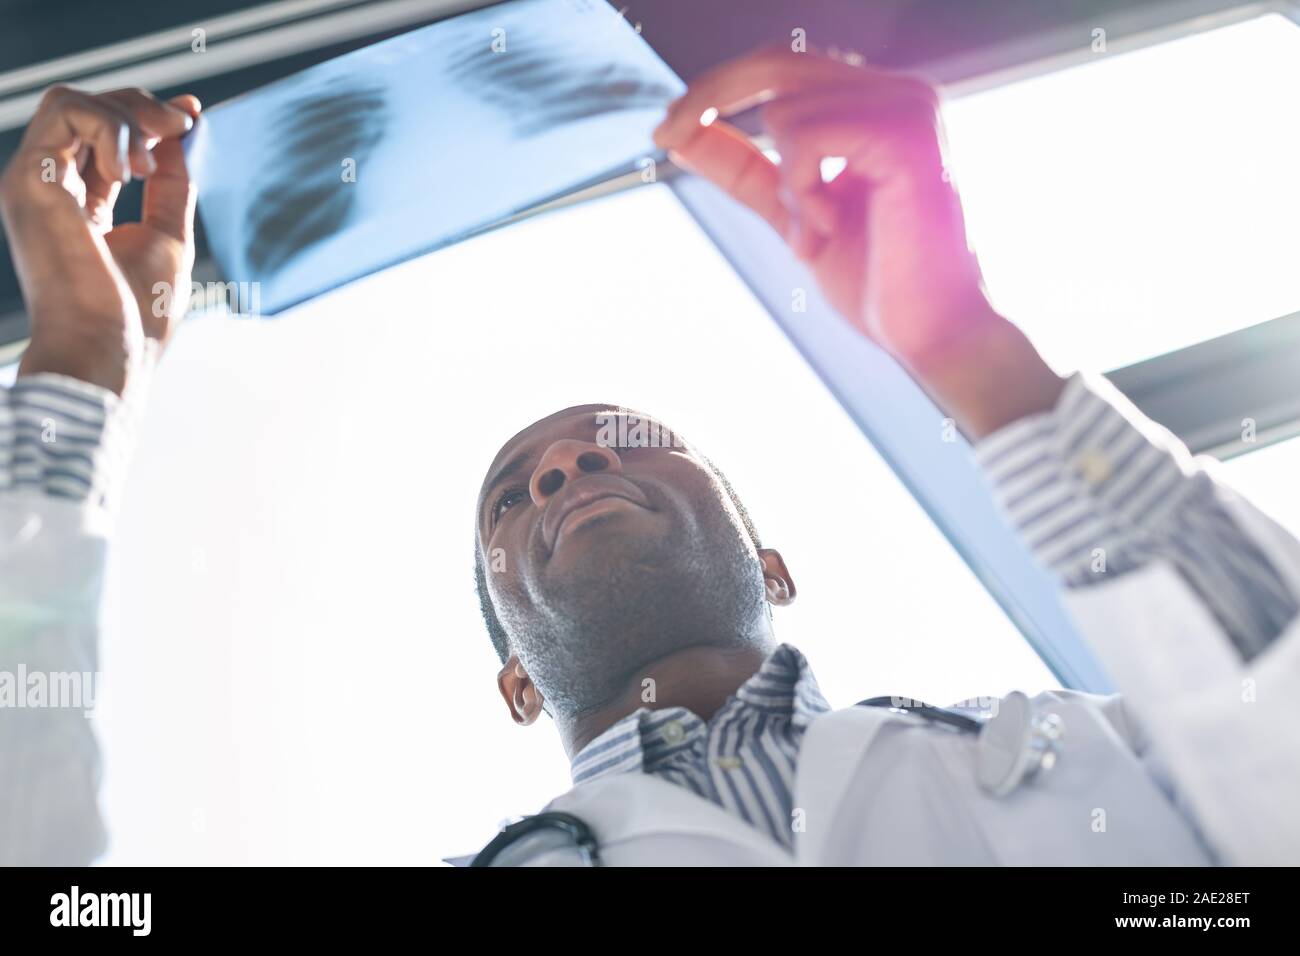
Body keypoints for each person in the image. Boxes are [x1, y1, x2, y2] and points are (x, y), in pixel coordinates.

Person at [2, 49, 1298, 866]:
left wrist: (976, 358)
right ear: (515, 684)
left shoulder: (1105, 762)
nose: (565, 473)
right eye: (516, 496)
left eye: (622, 446)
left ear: (774, 563)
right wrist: (77, 375)